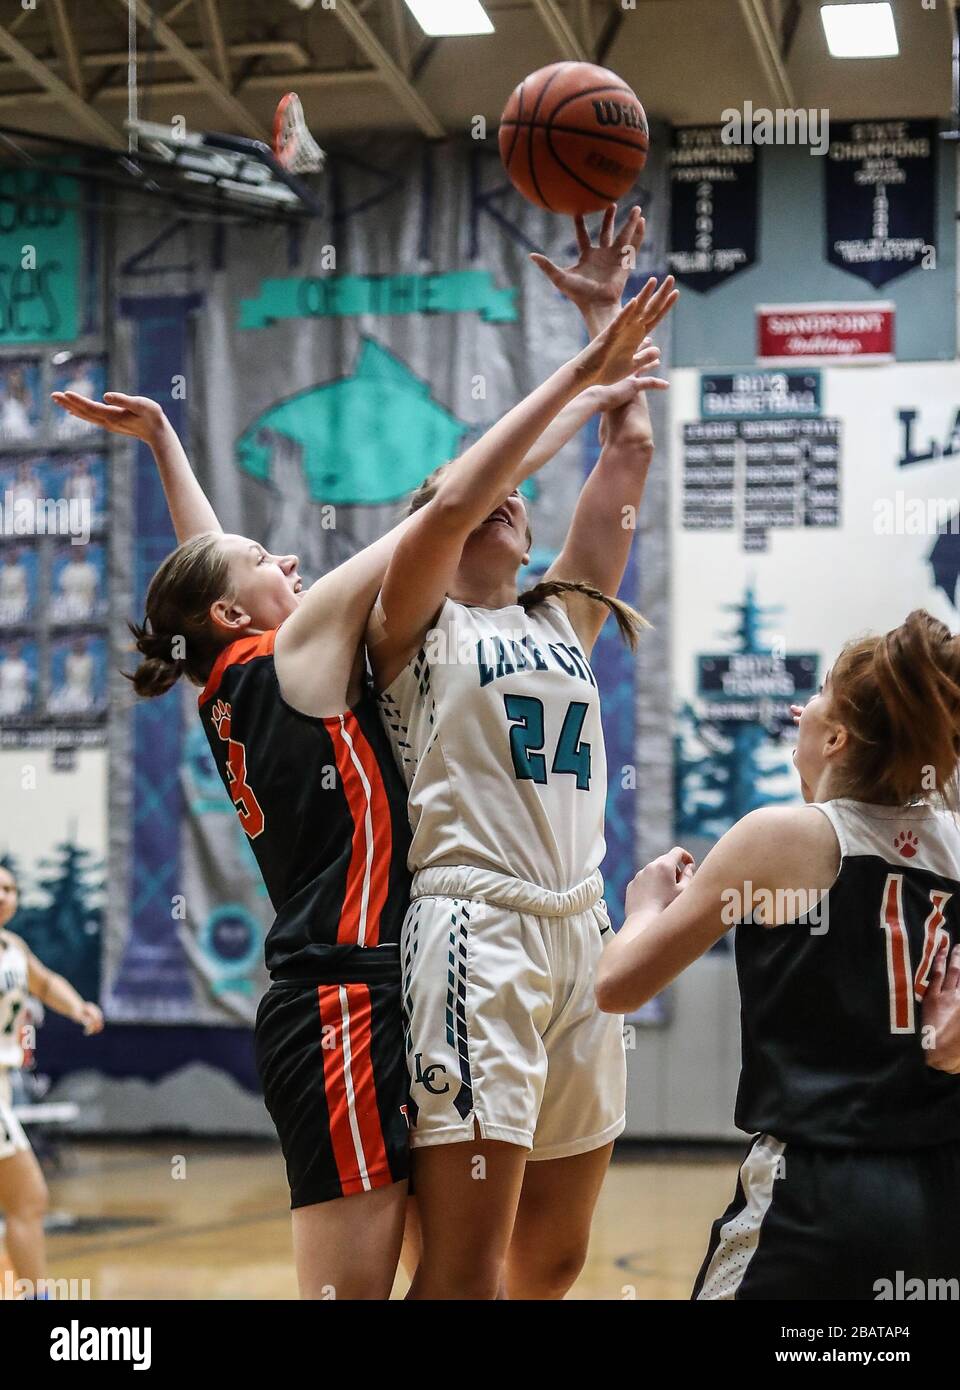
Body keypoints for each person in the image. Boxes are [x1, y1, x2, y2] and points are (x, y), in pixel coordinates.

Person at [51, 281, 663, 1299]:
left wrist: (166, 441)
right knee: (384, 1288)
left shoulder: (242, 666)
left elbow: (210, 574)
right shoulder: (319, 648)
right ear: (230, 604)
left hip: (430, 963)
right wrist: (584, 369)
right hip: (362, 978)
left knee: (507, 1263)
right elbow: (456, 498)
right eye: (267, 559)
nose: (288, 555)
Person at [369, 208, 677, 1300]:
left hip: (578, 929)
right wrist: (573, 374)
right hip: (475, 931)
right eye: (474, 492)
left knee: (552, 1258)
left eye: (514, 489)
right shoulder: (412, 626)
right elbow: (453, 501)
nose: (502, 495)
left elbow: (628, 451)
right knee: (462, 1269)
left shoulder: (562, 619)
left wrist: (604, 317)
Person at [597, 610, 960, 1299]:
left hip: (815, 1193)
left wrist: (646, 907)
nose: (799, 709)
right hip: (939, 1191)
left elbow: (617, 986)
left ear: (835, 735)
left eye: (817, 694)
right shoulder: (953, 842)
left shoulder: (779, 839)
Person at [0, 864, 103, 1297]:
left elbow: (45, 983)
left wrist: (78, 1006)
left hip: (4, 1089)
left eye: (8, 888)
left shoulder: (13, 947)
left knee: (26, 1200)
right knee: (28, 1197)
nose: (3, 894)